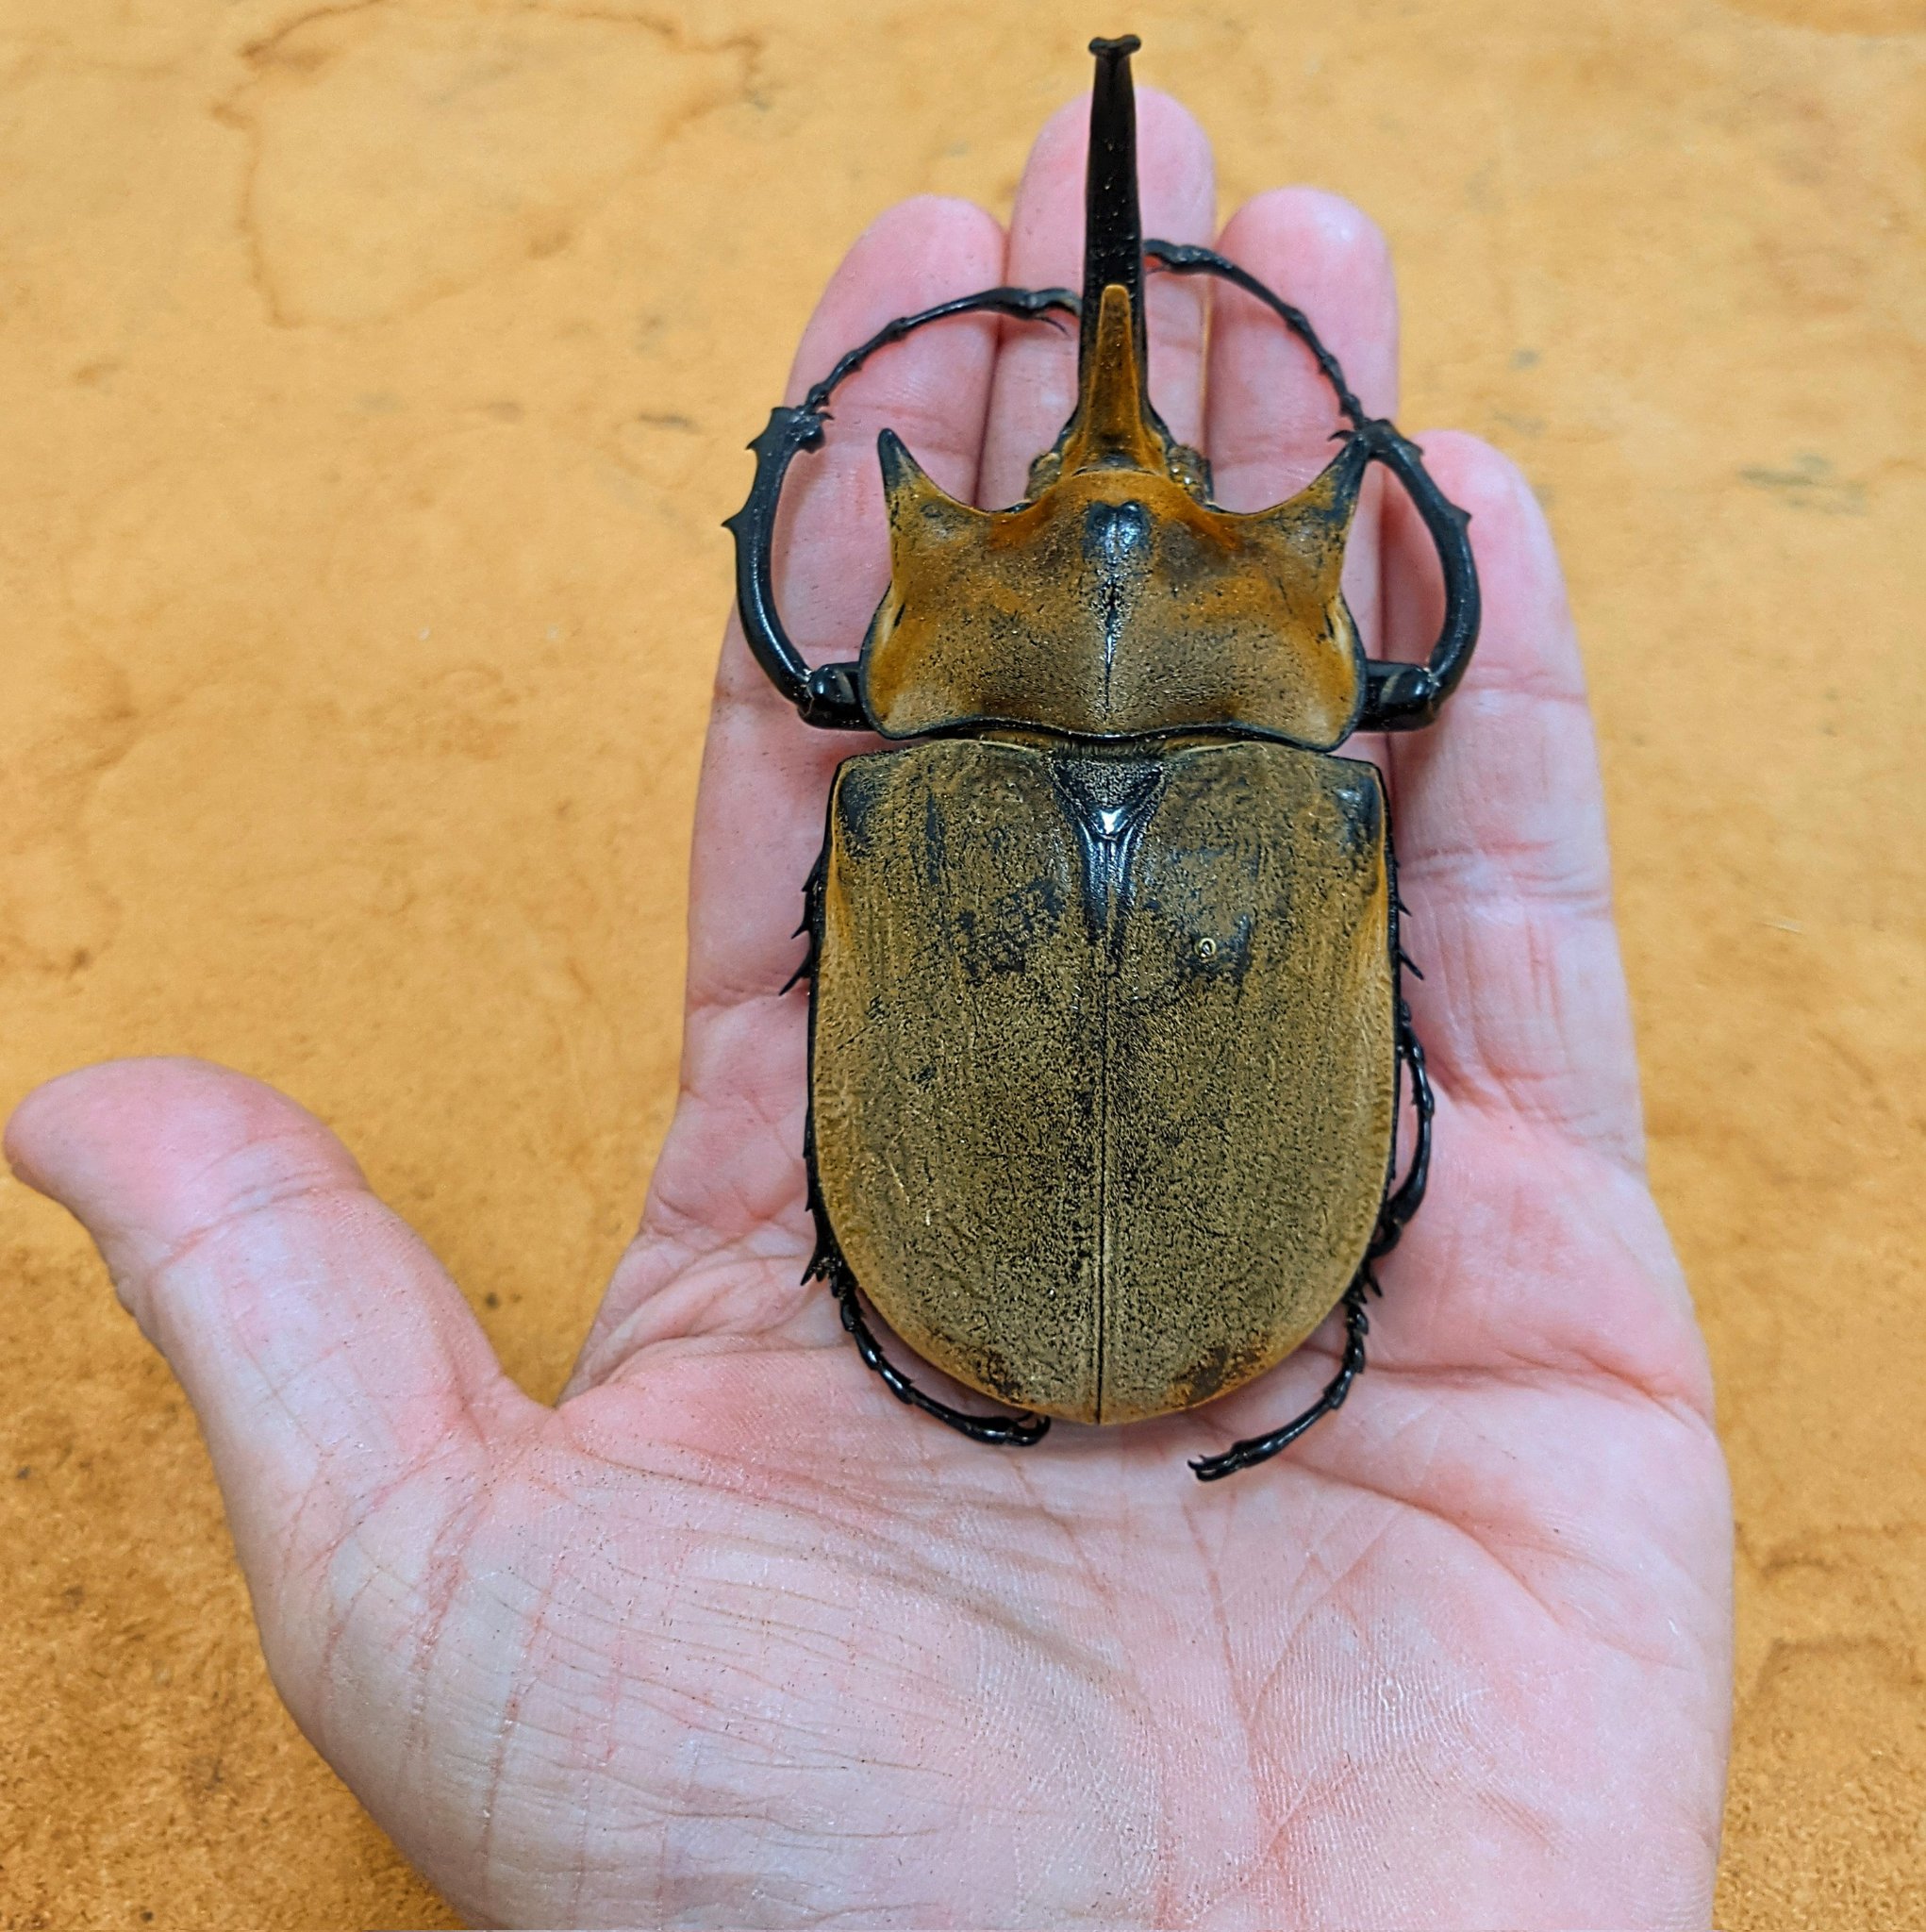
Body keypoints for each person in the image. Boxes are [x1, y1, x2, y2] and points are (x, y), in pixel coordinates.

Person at [4, 84, 1733, 1931]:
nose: (1124, 516)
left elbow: (801, 656)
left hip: (1000, 1275)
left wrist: (799, 449)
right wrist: (1368, 446)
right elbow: (1431, 690)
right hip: (1227, 1277)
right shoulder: (1332, 794)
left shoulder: (890, 788)